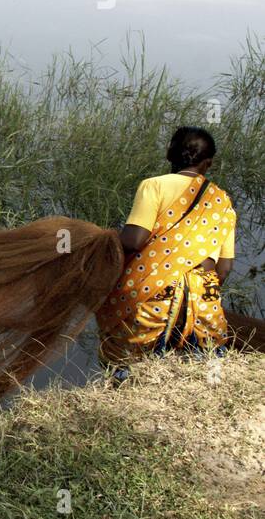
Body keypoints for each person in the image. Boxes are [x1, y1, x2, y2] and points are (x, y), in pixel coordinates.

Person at [97, 126, 236, 375]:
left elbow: (133, 240)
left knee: (125, 366)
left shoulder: (154, 186)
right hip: (203, 298)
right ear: (209, 163)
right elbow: (224, 268)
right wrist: (197, 292)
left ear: (169, 154)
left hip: (155, 296)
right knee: (202, 371)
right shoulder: (222, 200)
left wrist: (102, 242)